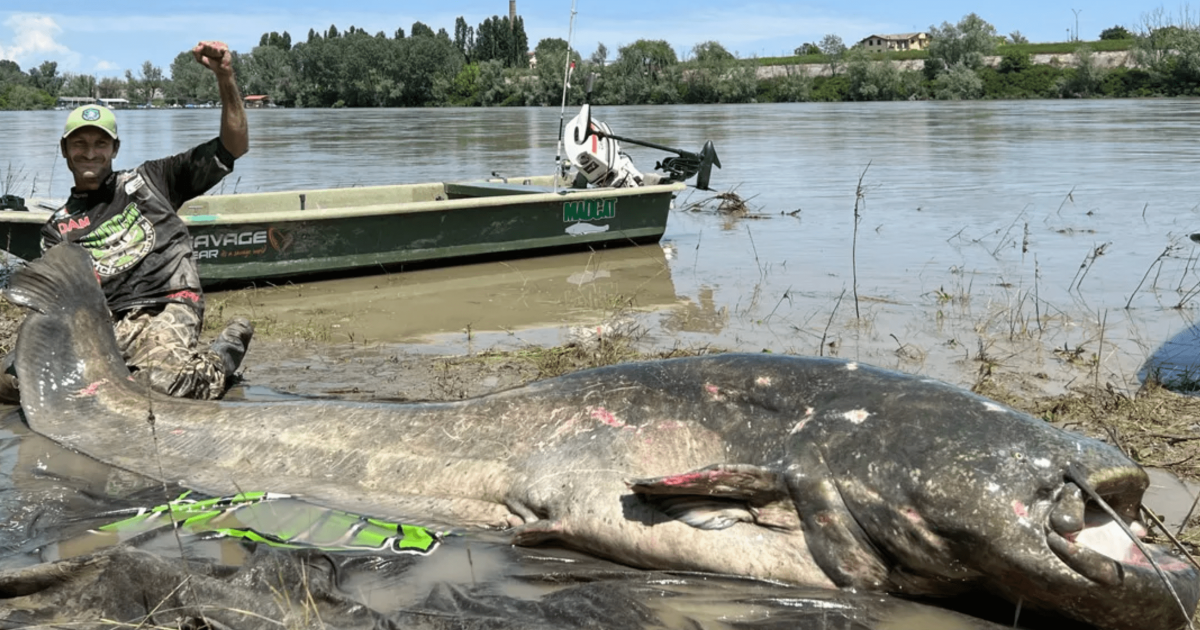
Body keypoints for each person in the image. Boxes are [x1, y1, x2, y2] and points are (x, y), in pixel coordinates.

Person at [0, 41, 253, 403]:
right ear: (64, 149)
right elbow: (63, 304)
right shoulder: (57, 229)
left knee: (165, 387)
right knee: (21, 384)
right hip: (105, 324)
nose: (90, 152)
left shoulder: (153, 179)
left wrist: (225, 77)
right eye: (80, 143)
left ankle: (223, 355)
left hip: (166, 303)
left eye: (100, 143)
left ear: (114, 149)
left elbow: (234, 146)